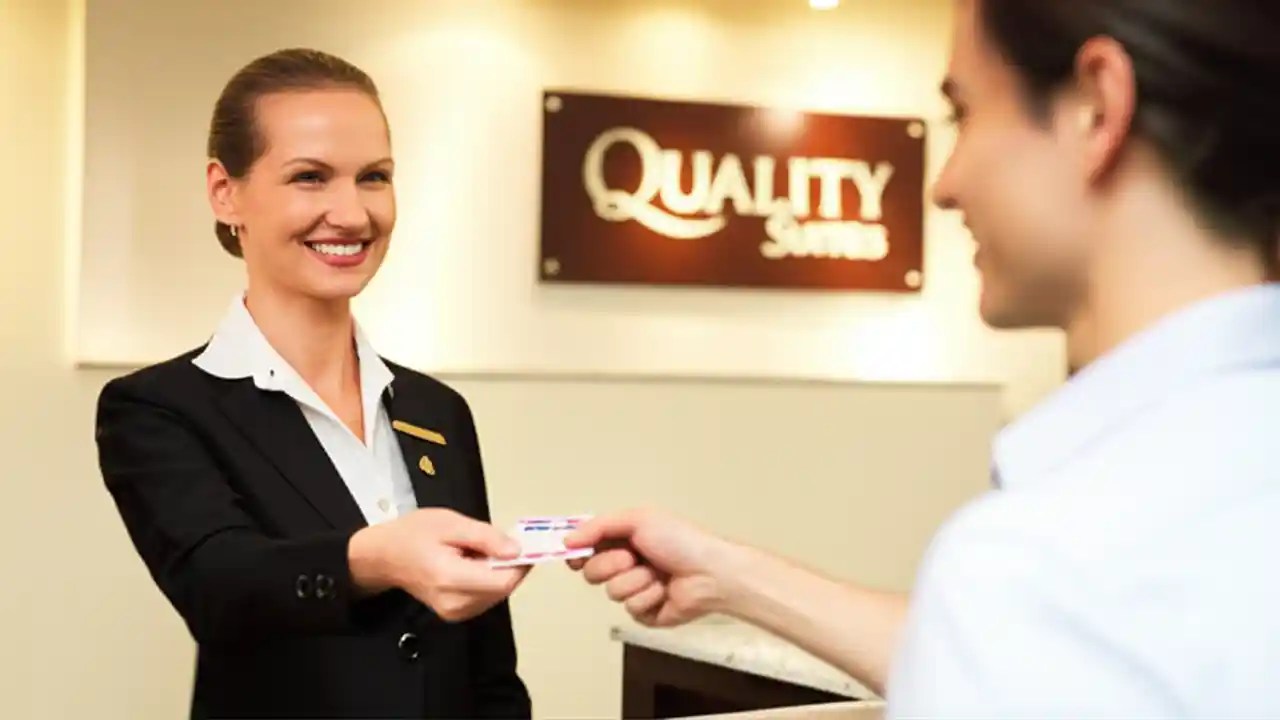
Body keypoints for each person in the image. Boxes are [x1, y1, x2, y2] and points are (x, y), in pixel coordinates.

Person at [567, 0, 1280, 717]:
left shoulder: (1039, 565)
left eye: (962, 114)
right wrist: (729, 577)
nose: (944, 185)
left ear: (1096, 106)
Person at [95, 48, 532, 719]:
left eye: (374, 177)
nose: (352, 214)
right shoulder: (159, 409)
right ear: (225, 192)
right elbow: (222, 587)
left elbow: (488, 669)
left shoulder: (436, 410)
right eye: (310, 177)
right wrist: (376, 557)